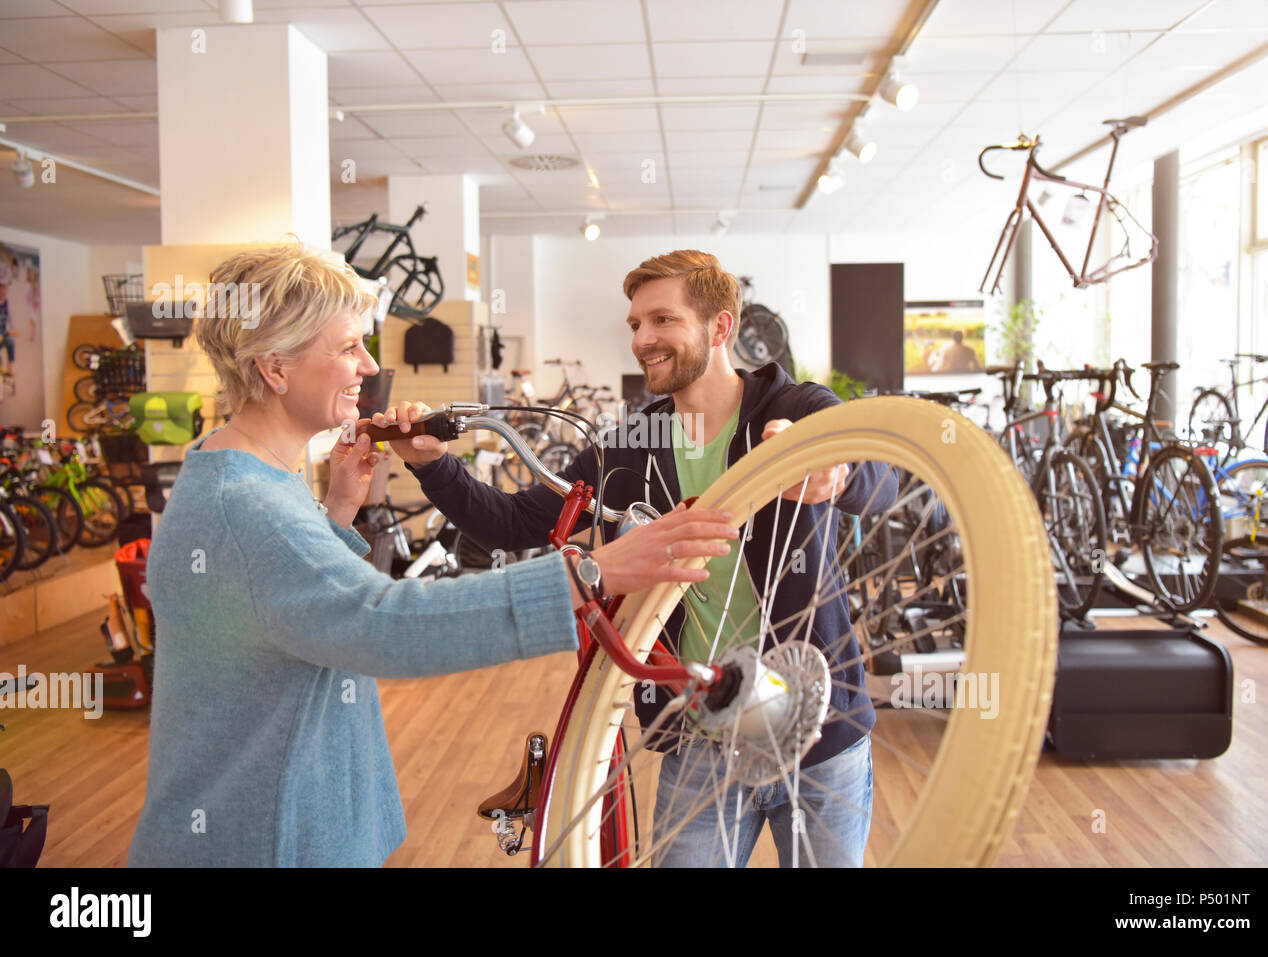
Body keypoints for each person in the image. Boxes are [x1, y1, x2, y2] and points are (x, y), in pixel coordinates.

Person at [126, 244, 738, 867]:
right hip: (263, 842)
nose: (367, 365)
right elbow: (376, 622)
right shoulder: (249, 503)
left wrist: (336, 513)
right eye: (347, 347)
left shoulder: (231, 472)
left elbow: (292, 611)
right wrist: (593, 574)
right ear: (275, 370)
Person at [376, 249, 898, 867]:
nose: (643, 340)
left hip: (816, 733)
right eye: (634, 325)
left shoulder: (796, 410)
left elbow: (880, 475)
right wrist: (430, 464)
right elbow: (513, 522)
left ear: (721, 327)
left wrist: (834, 475)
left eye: (662, 321)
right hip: (700, 736)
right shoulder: (629, 445)